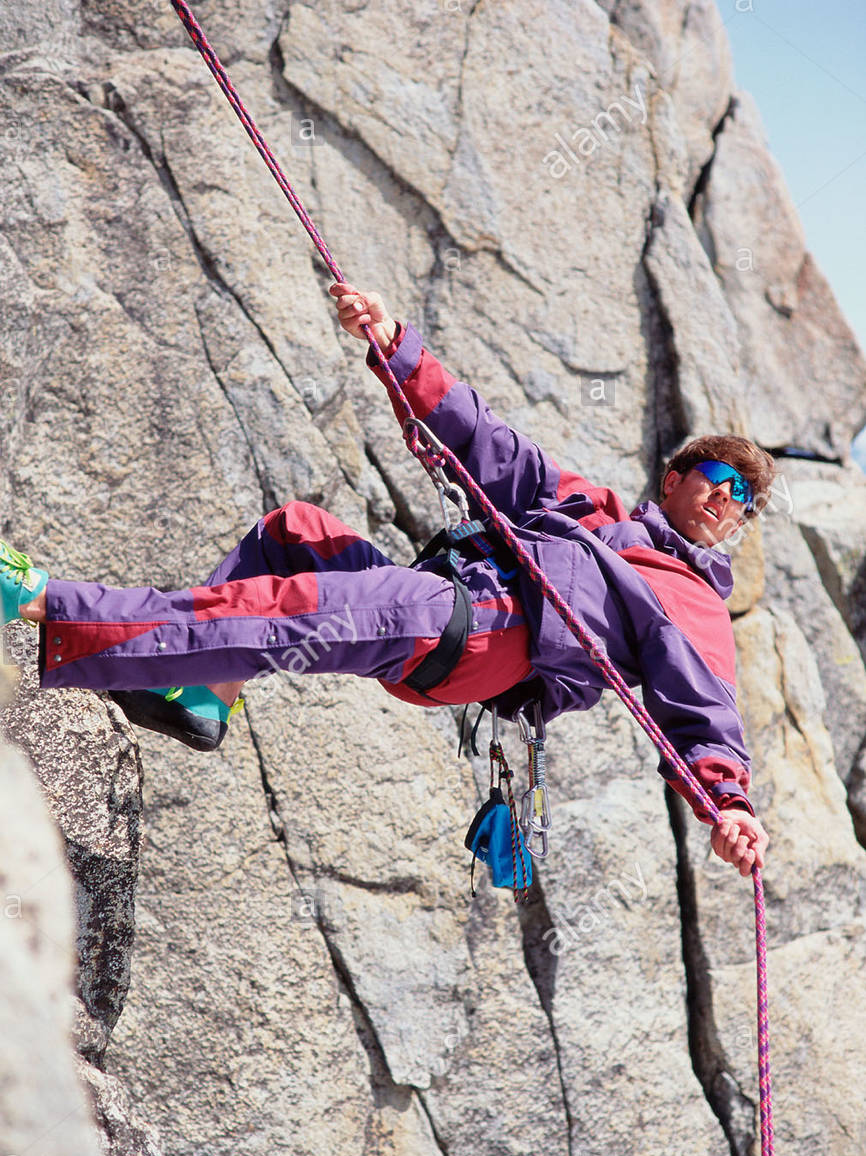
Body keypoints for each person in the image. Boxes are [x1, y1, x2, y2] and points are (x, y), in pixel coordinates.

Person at [0, 282, 770, 877]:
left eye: (745, 500)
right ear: (674, 479)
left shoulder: (692, 598)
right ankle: (203, 697)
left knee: (289, 612)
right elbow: (487, 443)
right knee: (293, 533)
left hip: (483, 630)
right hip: (453, 611)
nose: (729, 500)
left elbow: (704, 708)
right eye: (720, 478)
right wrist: (395, 343)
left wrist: (727, 805)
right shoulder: (589, 509)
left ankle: (46, 604)